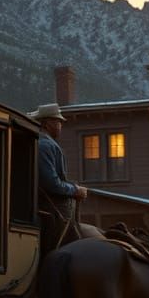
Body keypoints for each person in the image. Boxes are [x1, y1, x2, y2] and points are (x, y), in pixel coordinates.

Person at [31, 103, 88, 250]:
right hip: (51, 211)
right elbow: (52, 183)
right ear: (47, 123)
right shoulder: (45, 146)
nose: (60, 125)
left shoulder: (45, 144)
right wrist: (75, 190)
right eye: (58, 122)